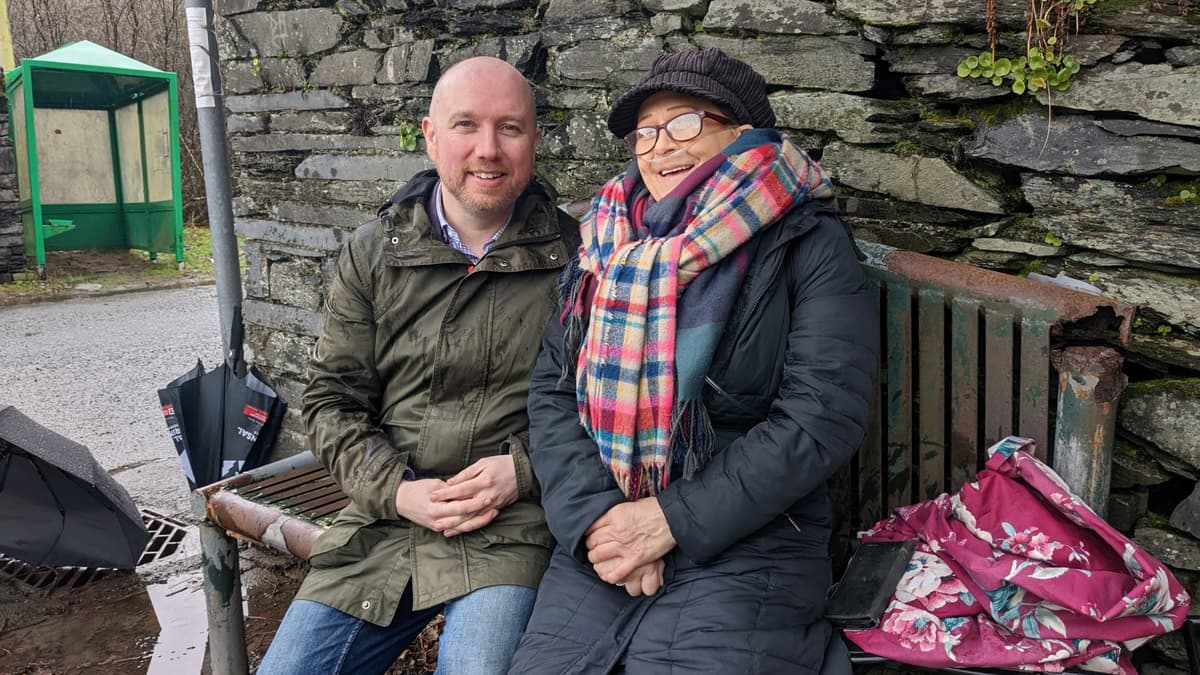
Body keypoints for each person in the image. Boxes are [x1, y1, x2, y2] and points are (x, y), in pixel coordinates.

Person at [508, 47, 879, 674]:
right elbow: (553, 390)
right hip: (606, 525)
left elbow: (821, 417)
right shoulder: (607, 244)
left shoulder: (806, 242)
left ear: (744, 134)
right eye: (645, 133)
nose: (658, 148)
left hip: (754, 534)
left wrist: (670, 519)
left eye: (685, 123)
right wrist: (599, 518)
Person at [256, 56, 579, 675]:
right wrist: (397, 491)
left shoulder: (578, 259)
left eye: (510, 128)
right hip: (384, 521)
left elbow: (604, 409)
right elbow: (332, 403)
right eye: (466, 125)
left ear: (534, 140)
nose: (488, 149)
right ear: (430, 134)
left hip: (510, 525)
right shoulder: (373, 253)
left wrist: (522, 470)